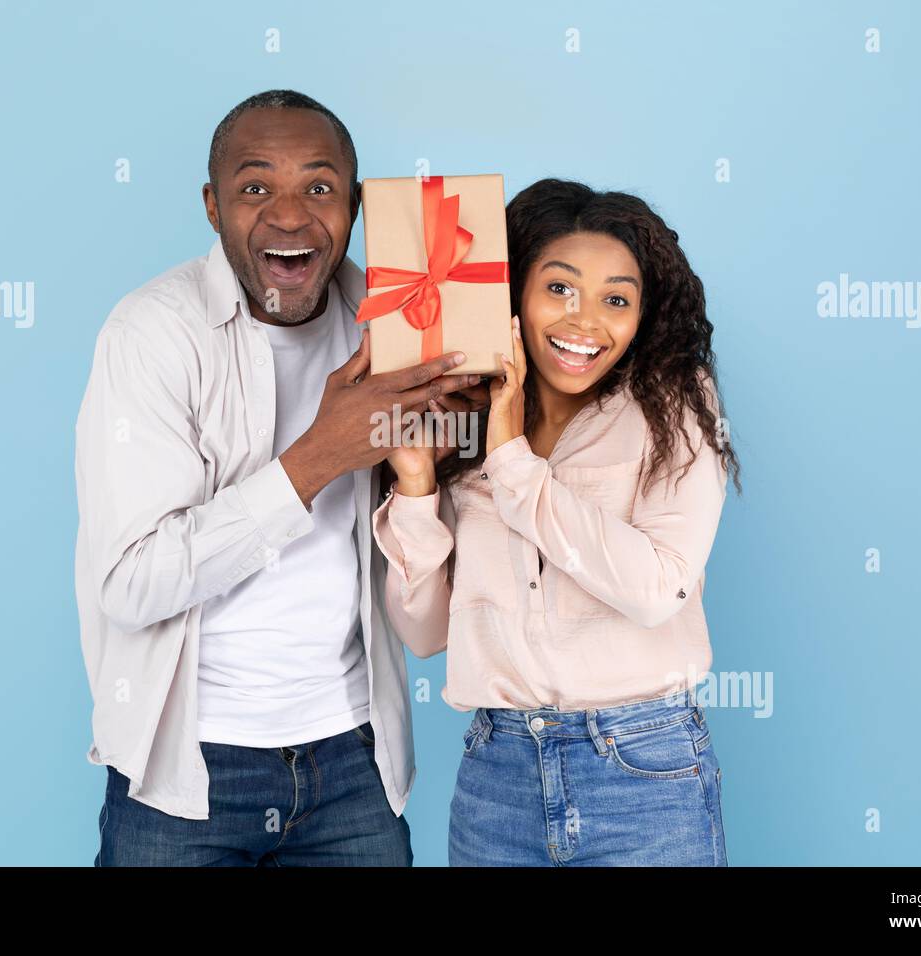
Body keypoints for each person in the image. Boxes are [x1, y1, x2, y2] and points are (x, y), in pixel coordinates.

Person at [74, 89, 484, 866]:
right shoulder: (150, 335)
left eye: (320, 188)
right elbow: (130, 584)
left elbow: (429, 624)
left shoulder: (404, 324)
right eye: (255, 186)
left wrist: (437, 471)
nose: (290, 215)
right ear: (211, 205)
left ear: (357, 206)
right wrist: (319, 455)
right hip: (187, 769)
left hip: (352, 764)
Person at [374, 178, 743, 866]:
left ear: (642, 314)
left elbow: (657, 589)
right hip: (497, 776)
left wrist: (513, 460)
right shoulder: (463, 419)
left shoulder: (674, 404)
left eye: (616, 300)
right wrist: (418, 485)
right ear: (514, 295)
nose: (585, 323)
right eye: (559, 289)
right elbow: (425, 633)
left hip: (642, 773)